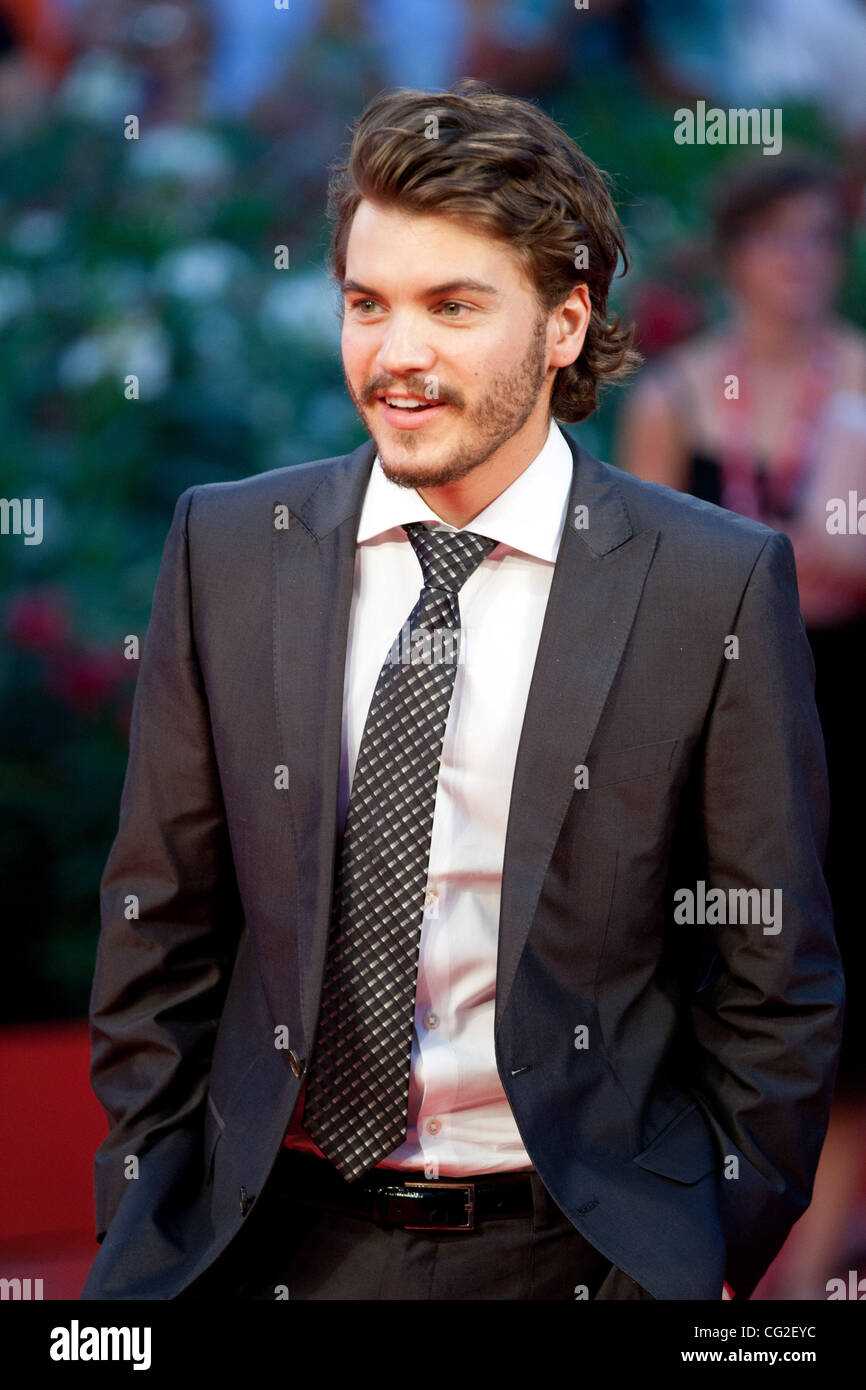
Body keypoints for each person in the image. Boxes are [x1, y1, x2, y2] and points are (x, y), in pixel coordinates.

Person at [81, 79, 843, 1302]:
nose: (397, 355)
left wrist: (685, 1262)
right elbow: (158, 925)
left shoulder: (707, 581)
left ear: (561, 322)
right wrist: (149, 1221)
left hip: (572, 1255)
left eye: (452, 306)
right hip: (261, 1240)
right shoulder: (229, 547)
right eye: (366, 304)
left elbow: (773, 973)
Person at [617, 151, 866, 1298]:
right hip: (715, 721)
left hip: (846, 715)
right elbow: (634, 585)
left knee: (841, 982)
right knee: (711, 971)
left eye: (819, 238)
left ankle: (809, 1279)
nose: (801, 264)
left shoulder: (859, 383)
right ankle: (718, 1255)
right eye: (779, 239)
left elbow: (839, 562)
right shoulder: (674, 396)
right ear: (731, 257)